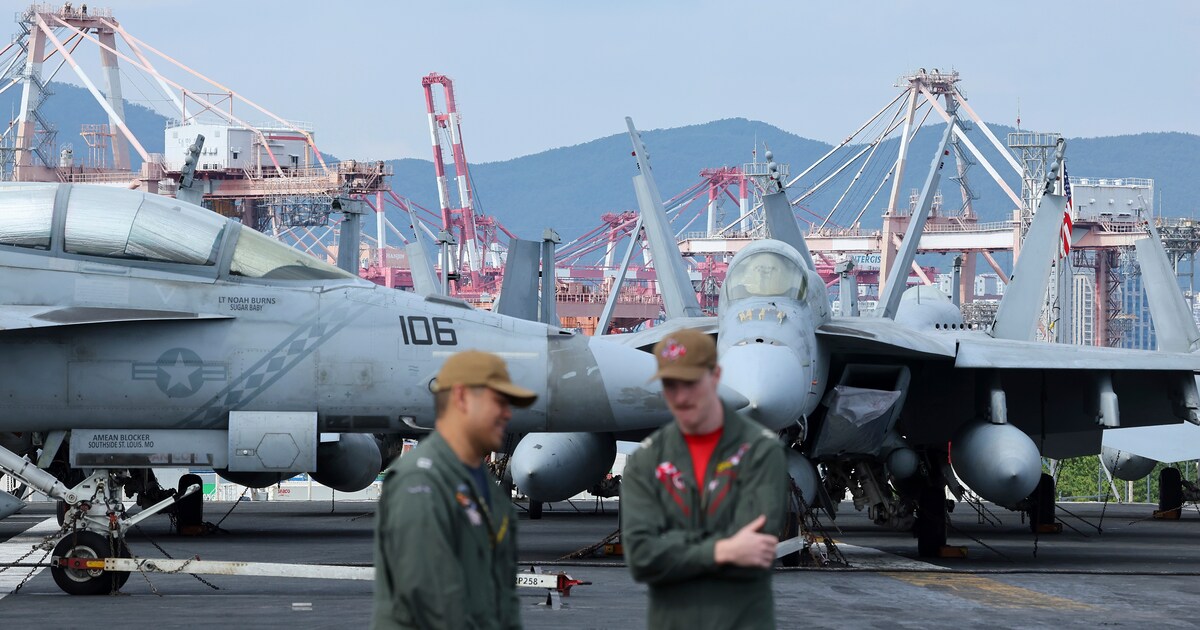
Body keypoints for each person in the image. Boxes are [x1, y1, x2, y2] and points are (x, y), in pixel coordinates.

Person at [621, 328, 787, 629]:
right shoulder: (647, 461)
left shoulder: (760, 452)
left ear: (716, 376)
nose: (681, 397)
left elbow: (753, 555)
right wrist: (723, 549)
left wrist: (672, 546)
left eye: (690, 383)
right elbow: (642, 559)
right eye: (670, 385)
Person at [373, 350, 536, 630]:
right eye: (498, 402)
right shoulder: (421, 482)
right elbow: (429, 600)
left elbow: (503, 598)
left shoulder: (487, 489)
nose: (507, 413)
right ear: (461, 398)